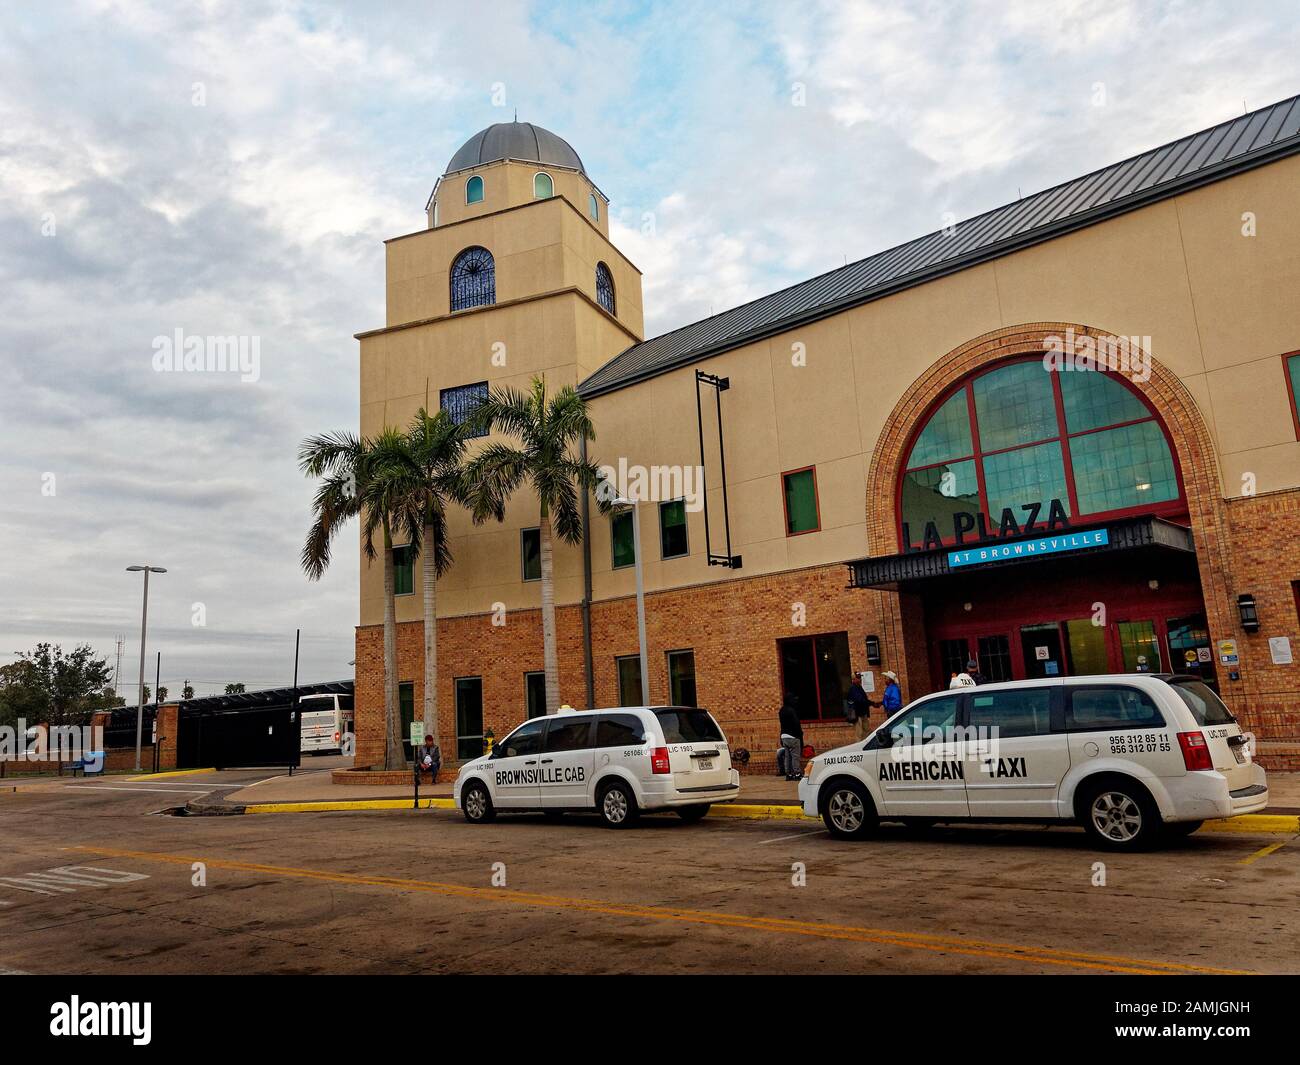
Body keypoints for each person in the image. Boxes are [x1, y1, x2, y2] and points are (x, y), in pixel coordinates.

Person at [778, 692, 804, 781]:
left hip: (784, 736)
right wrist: (800, 735)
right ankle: (797, 773)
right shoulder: (792, 710)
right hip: (793, 736)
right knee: (795, 756)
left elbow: (782, 725)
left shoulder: (781, 711)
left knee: (787, 757)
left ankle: (788, 774)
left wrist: (780, 737)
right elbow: (796, 724)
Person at [845, 671, 873, 740]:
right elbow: (860, 700)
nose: (860, 679)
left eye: (860, 678)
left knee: (867, 732)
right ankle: (859, 748)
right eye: (858, 678)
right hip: (857, 715)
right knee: (859, 734)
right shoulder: (853, 689)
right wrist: (872, 703)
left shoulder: (859, 687)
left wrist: (871, 703)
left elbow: (863, 699)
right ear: (853, 679)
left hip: (863, 713)